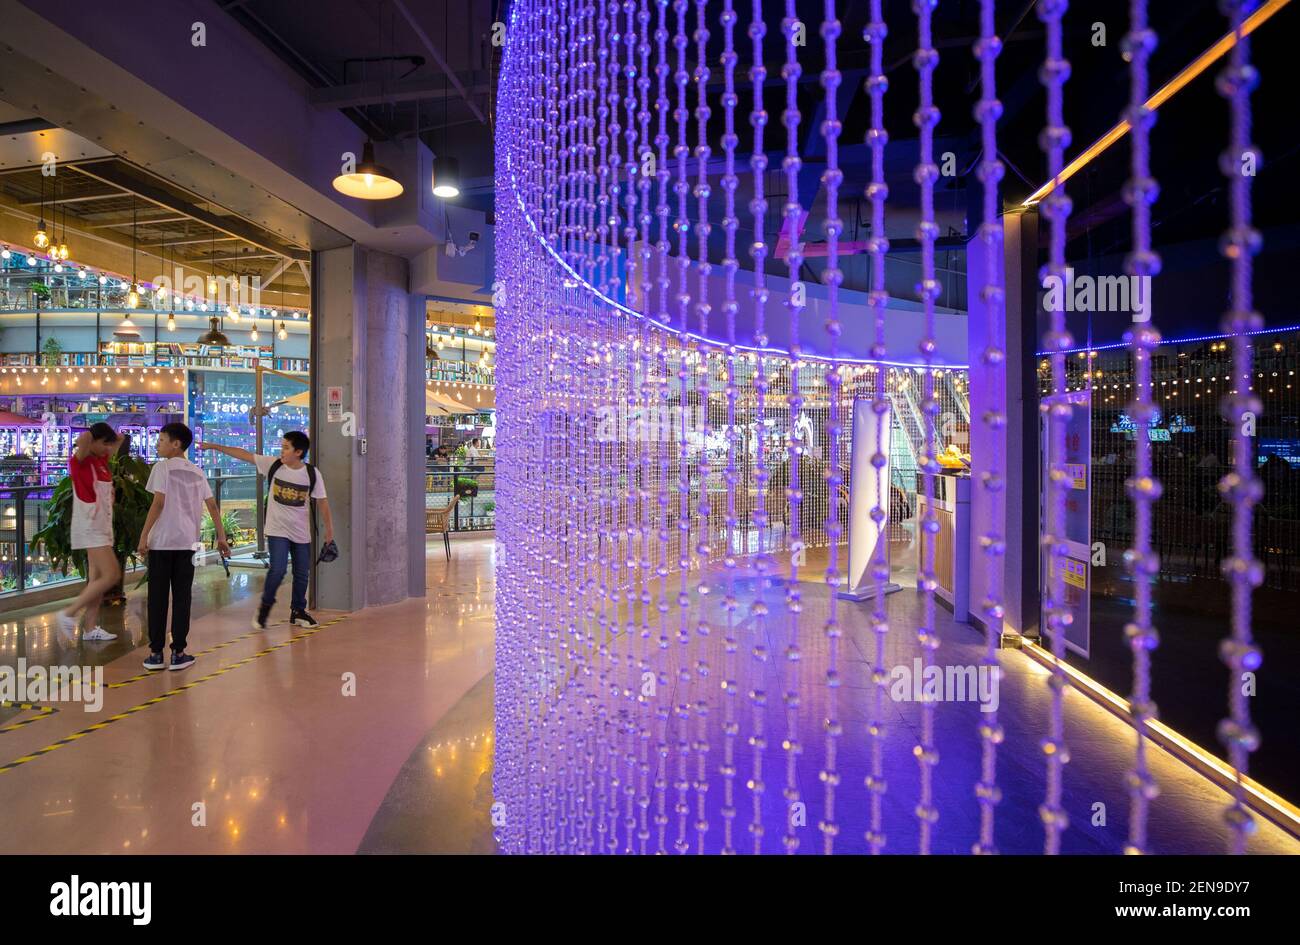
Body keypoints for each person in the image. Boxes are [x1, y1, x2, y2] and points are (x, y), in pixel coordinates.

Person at [197, 430, 333, 630]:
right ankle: (265, 608)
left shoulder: (312, 474)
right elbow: (243, 454)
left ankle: (298, 611)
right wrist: (215, 446)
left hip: (300, 532)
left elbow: (322, 502)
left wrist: (329, 532)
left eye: (286, 447)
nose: (282, 451)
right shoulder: (274, 465)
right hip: (277, 530)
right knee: (277, 570)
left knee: (302, 573)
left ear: (299, 452)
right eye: (282, 446)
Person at [136, 423, 231, 671]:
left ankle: (156, 654)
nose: (158, 444)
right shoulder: (197, 472)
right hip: (187, 543)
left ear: (176, 444)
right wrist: (221, 537)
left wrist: (143, 536)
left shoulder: (162, 468)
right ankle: (179, 652)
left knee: (157, 598)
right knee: (182, 597)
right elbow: (212, 505)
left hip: (162, 542)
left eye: (162, 439)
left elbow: (158, 504)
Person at [56, 422, 122, 644]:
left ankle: (90, 628)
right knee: (112, 575)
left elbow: (117, 442)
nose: (108, 449)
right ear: (94, 441)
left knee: (97, 578)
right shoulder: (80, 461)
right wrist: (92, 435)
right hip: (90, 526)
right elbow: (84, 439)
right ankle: (68, 614)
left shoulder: (100, 461)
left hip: (101, 525)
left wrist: (111, 440)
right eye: (104, 444)